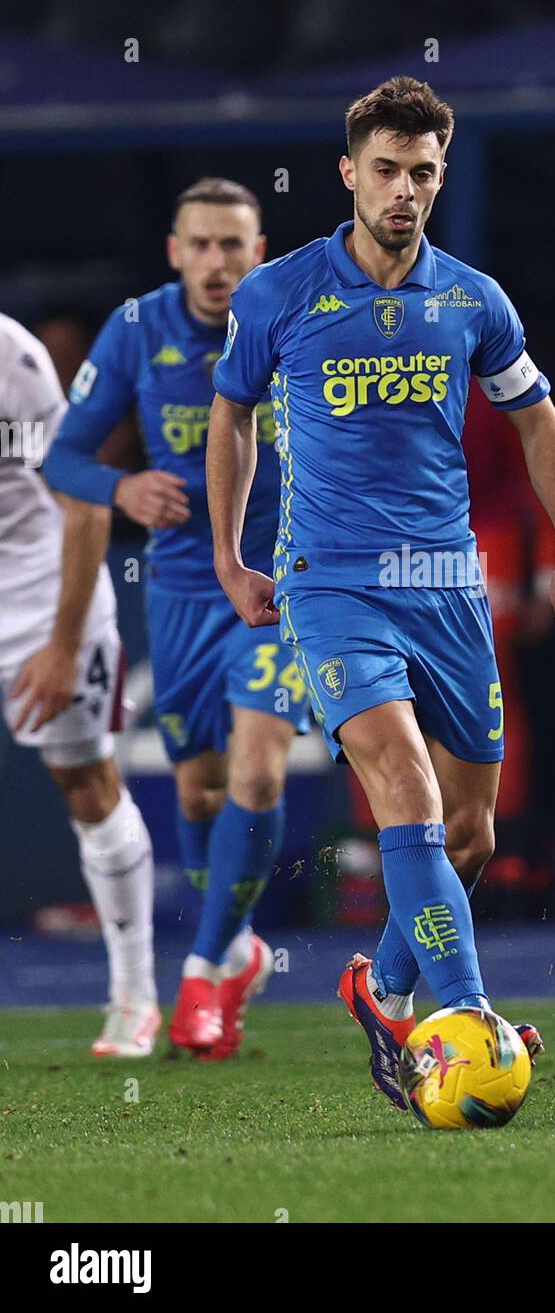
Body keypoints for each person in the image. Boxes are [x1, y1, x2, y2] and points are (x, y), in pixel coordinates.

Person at [207, 77, 555, 1107]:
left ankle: (384, 987)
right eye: (384, 169)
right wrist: (229, 556)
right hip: (328, 585)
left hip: (446, 588)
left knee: (470, 833)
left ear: (437, 178)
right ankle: (465, 1014)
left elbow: (535, 421)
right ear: (349, 172)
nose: (403, 188)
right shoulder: (280, 293)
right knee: (407, 792)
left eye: (421, 172)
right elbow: (231, 418)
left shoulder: (472, 300)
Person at [43, 179, 310, 1060]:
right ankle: (235, 953)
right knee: (199, 789)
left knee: (261, 771)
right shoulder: (137, 328)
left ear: (258, 252)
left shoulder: (296, 316)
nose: (217, 262)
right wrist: (122, 487)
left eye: (233, 245)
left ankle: (197, 972)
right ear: (175, 253)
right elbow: (61, 458)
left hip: (278, 587)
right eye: (200, 244)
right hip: (183, 592)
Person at [0, 311, 159, 1057]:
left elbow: (84, 495)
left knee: (87, 786)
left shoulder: (15, 360)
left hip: (37, 595)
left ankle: (135, 996)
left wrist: (63, 646)